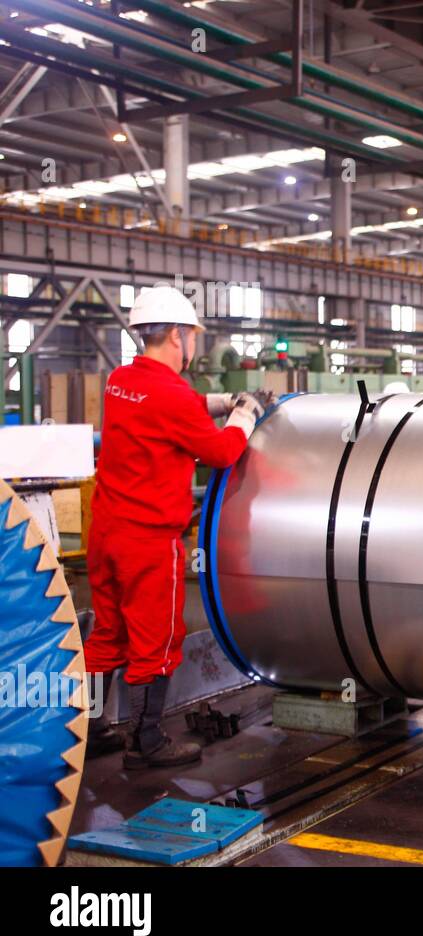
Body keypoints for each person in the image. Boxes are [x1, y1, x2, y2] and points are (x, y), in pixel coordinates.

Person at [84, 285, 263, 769]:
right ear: (180, 336)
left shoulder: (121, 381)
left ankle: (93, 732)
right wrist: (244, 417)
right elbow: (222, 452)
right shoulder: (172, 397)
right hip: (148, 541)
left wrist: (219, 401)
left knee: (108, 631)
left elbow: (166, 406)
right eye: (192, 337)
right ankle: (146, 744)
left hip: (106, 532)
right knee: (157, 639)